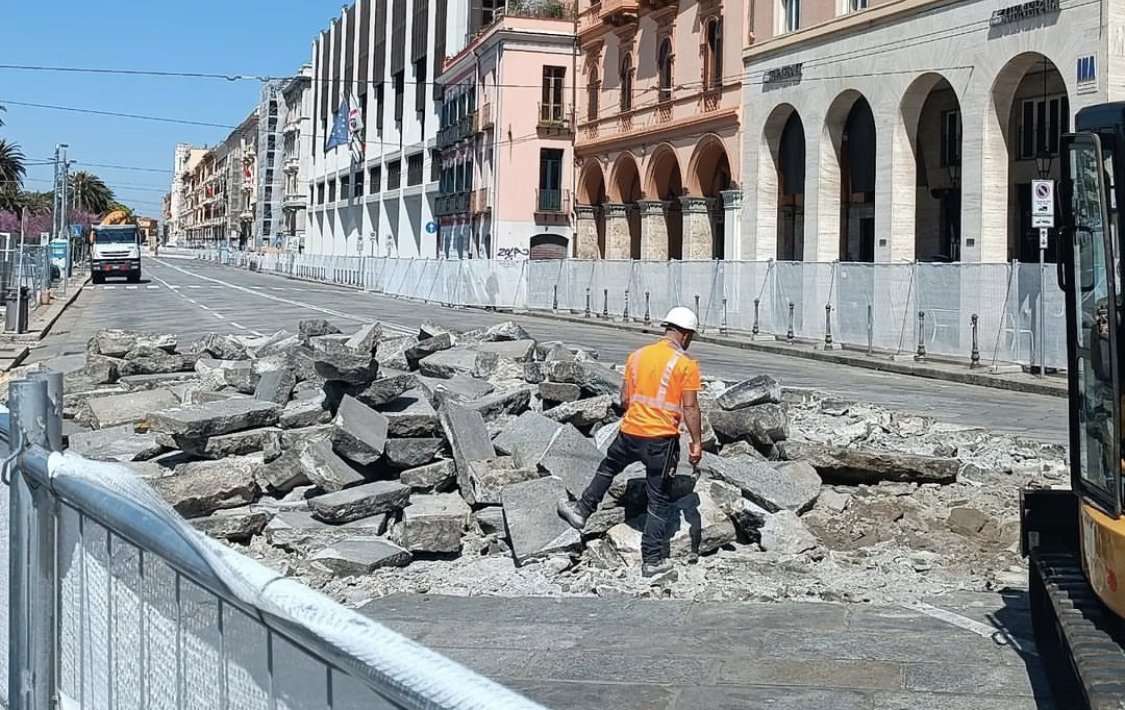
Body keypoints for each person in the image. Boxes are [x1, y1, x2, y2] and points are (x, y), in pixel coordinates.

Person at [557, 306, 704, 577]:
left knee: (608, 469)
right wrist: (696, 442)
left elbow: (625, 399)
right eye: (691, 336)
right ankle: (652, 561)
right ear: (685, 335)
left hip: (629, 431)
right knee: (658, 500)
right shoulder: (686, 365)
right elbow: (691, 408)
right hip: (660, 440)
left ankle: (581, 511)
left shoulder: (636, 356)